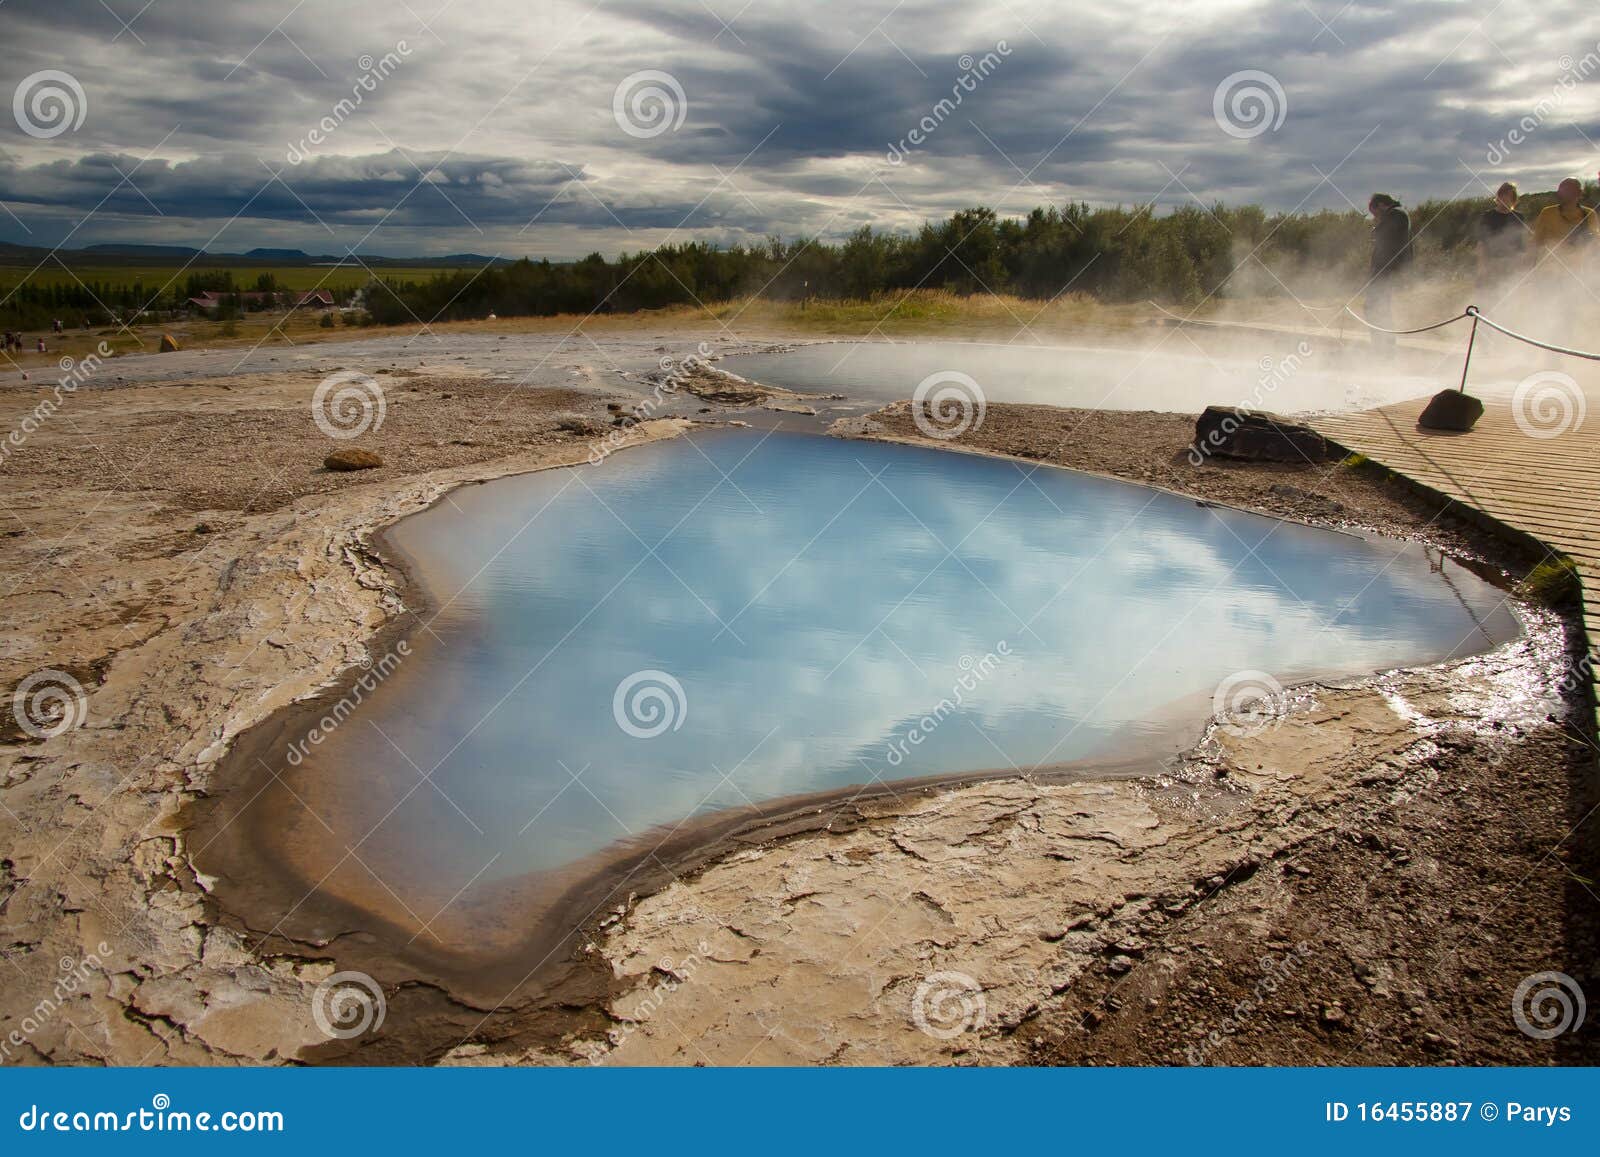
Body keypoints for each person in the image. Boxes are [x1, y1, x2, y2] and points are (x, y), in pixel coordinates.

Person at [1366, 192, 1412, 354]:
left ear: (1381, 205)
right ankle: (1382, 346)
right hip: (1385, 270)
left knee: (1377, 307)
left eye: (1375, 212)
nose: (1375, 216)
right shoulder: (1396, 215)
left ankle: (1384, 347)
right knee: (1377, 307)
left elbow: (1382, 236)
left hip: (1387, 270)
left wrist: (1377, 226)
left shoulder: (1397, 215)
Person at [1477, 181, 1525, 281]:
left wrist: (1521, 267)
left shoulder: (1519, 217)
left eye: (1509, 197)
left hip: (1512, 263)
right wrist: (1482, 267)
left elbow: (1520, 244)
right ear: (1498, 197)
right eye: (1503, 196)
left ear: (1514, 200)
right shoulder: (1488, 216)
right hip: (1492, 262)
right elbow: (1482, 243)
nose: (1506, 199)